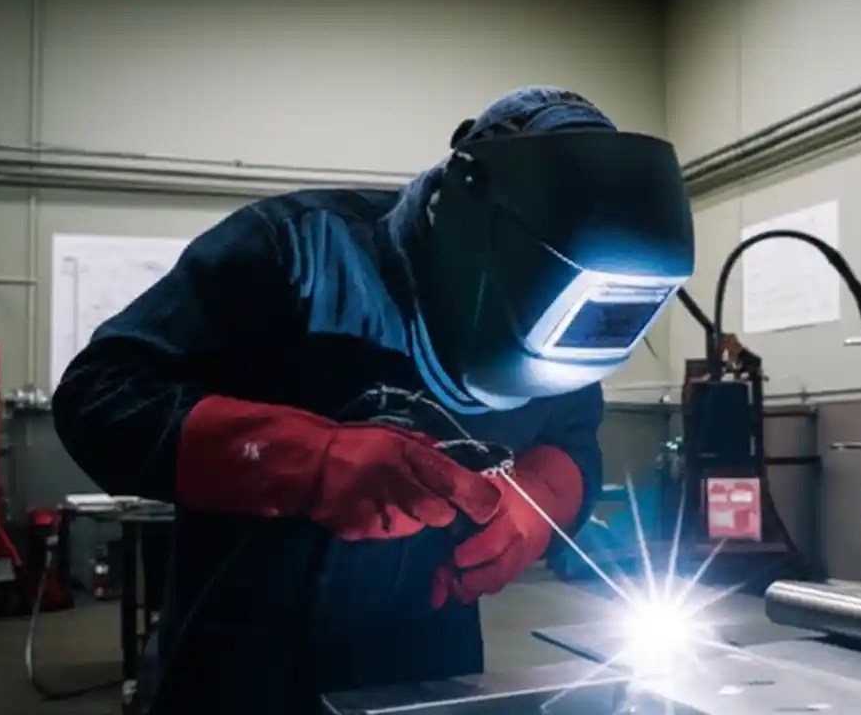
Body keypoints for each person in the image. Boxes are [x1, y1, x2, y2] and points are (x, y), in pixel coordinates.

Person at [52, 86, 693, 714]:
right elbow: (99, 393)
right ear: (475, 225)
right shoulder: (294, 250)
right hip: (241, 662)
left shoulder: (579, 305)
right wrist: (309, 461)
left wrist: (534, 505)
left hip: (426, 672)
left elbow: (572, 441)